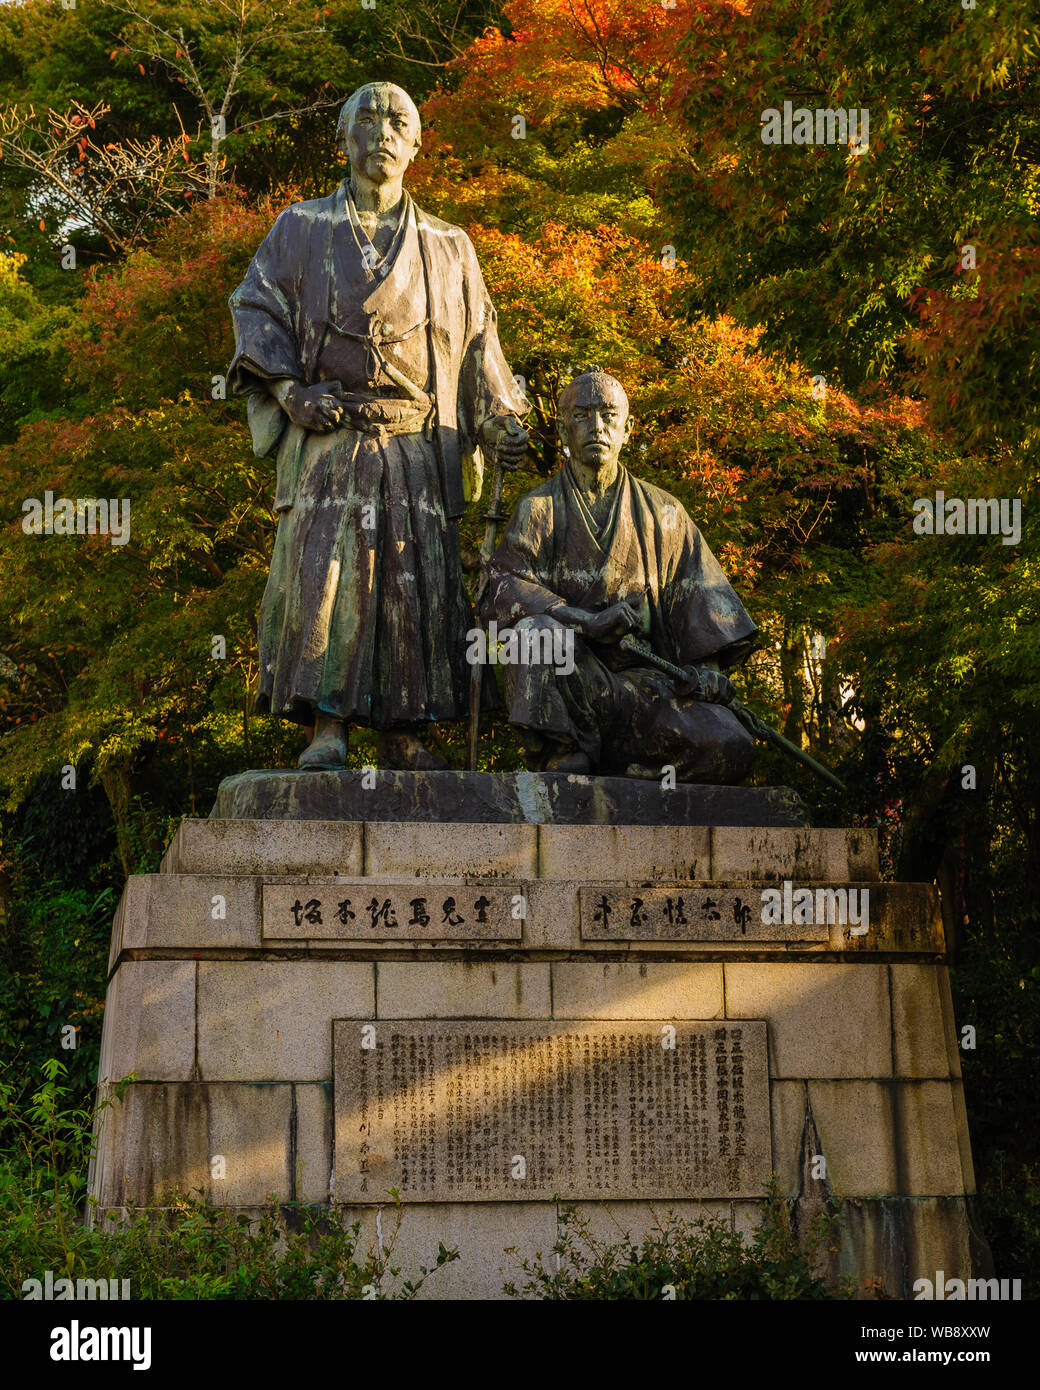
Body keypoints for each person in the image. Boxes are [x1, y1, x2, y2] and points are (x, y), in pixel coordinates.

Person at [228, 82, 528, 769]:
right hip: (333, 434)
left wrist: (501, 420)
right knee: (327, 579)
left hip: (419, 442)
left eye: (400, 122)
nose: (383, 132)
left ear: (418, 146)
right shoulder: (300, 227)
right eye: (367, 120)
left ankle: (405, 731)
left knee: (410, 580)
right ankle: (327, 727)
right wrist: (286, 389)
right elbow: (256, 307)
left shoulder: (449, 245)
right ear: (343, 140)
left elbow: (482, 345)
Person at [481, 369, 758, 782]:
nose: (596, 427)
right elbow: (500, 592)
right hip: (574, 682)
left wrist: (709, 677)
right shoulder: (538, 509)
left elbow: (703, 613)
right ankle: (567, 748)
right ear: (562, 428)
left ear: (628, 429)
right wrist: (585, 622)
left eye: (609, 416)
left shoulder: (664, 513)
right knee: (534, 634)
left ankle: (634, 769)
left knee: (733, 745)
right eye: (582, 415)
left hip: (647, 693)